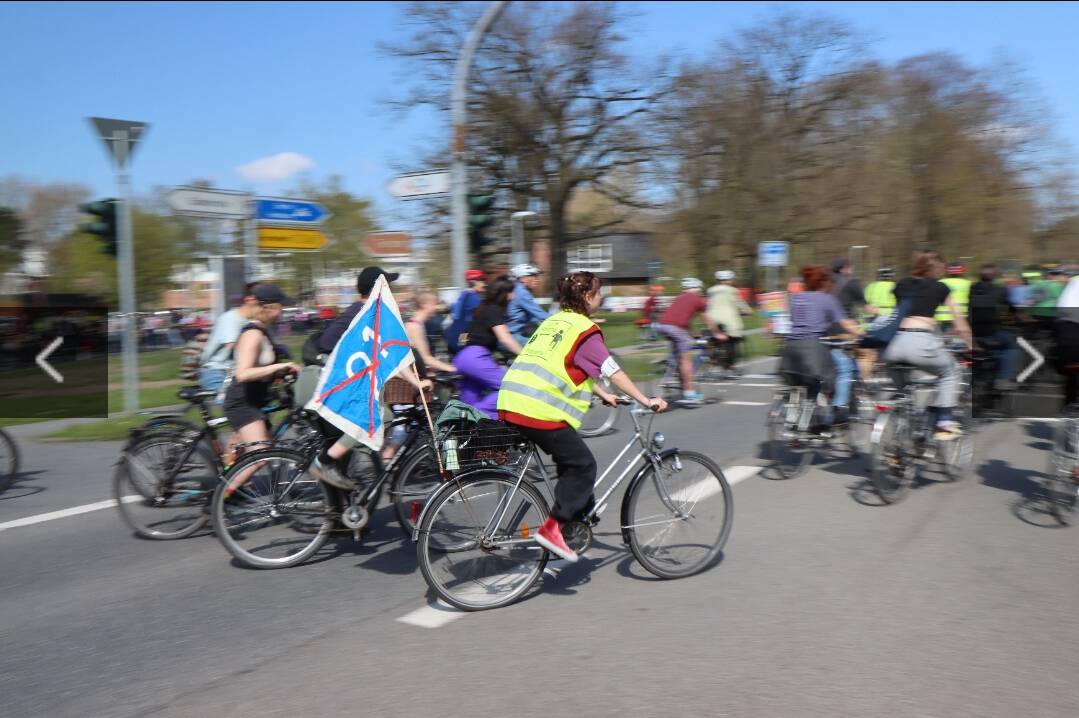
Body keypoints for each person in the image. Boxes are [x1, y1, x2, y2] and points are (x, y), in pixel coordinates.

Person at [497, 271, 668, 562]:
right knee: (583, 465)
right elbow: (612, 370)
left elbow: (565, 363)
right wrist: (646, 399)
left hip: (512, 400)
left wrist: (603, 394)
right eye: (599, 293)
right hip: (539, 409)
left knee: (570, 459)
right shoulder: (585, 330)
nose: (601, 297)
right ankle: (553, 528)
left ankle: (575, 519)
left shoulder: (553, 322)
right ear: (588, 297)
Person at [307, 267, 431, 491]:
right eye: (388, 286)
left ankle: (342, 506)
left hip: (335, 377)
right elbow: (391, 353)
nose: (391, 291)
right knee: (380, 417)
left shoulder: (363, 310)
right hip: (332, 380)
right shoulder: (369, 314)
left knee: (355, 438)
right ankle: (324, 461)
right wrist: (416, 382)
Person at [883, 250, 973, 440]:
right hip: (921, 342)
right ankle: (944, 422)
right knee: (951, 372)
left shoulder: (901, 284)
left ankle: (904, 425)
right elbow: (959, 322)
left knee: (904, 392)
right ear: (935, 268)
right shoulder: (939, 287)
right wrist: (970, 342)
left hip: (893, 346)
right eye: (941, 268)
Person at [221, 285, 302, 495]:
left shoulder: (263, 332)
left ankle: (233, 489)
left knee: (252, 451)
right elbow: (243, 373)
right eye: (281, 306)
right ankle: (220, 498)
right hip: (242, 402)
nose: (283, 311)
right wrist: (278, 367)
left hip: (255, 399)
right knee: (261, 455)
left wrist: (282, 371)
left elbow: (261, 367)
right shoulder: (253, 334)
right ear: (269, 307)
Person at [781, 266, 861, 427]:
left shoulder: (796, 298)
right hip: (812, 348)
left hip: (790, 348)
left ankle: (806, 417)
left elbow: (795, 321)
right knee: (843, 368)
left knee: (807, 381)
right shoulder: (826, 299)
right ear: (824, 283)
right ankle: (838, 409)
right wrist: (863, 335)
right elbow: (846, 323)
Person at [453, 276, 523, 419]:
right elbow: (505, 339)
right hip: (476, 357)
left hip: (463, 357)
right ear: (504, 294)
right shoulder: (494, 310)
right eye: (511, 292)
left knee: (469, 401)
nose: (513, 296)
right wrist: (525, 355)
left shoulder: (482, 308)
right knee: (509, 387)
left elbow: (465, 335)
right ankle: (476, 416)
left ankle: (464, 425)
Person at [655, 278, 726, 405]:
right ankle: (690, 394)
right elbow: (707, 319)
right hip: (676, 328)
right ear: (698, 289)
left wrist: (693, 334)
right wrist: (717, 333)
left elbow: (683, 320)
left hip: (662, 326)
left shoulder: (679, 298)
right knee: (686, 360)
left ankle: (667, 379)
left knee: (677, 353)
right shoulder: (696, 298)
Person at [199, 283, 261, 395]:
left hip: (235, 373)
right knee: (231, 403)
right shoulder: (230, 318)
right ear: (249, 299)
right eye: (263, 301)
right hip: (217, 371)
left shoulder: (250, 322)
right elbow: (234, 347)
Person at [968, 263, 1019, 390]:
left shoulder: (971, 288)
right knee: (1011, 345)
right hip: (991, 332)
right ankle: (1002, 379)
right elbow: (1011, 308)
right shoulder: (1001, 290)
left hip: (972, 332)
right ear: (994, 276)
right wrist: (1017, 317)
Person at [706, 270, 752, 376]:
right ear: (729, 280)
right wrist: (747, 311)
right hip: (728, 320)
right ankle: (730, 365)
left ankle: (714, 358)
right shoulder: (732, 290)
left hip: (712, 319)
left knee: (715, 338)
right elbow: (740, 303)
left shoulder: (711, 291)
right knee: (733, 340)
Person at [406, 291, 457, 376]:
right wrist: (454, 369)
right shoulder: (414, 326)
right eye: (434, 304)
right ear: (424, 305)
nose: (436, 307)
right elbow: (427, 359)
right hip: (412, 378)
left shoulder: (417, 324)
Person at [507, 263, 552, 345]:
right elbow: (541, 315)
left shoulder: (518, 290)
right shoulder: (521, 293)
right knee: (544, 345)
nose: (537, 280)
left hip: (516, 334)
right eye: (533, 276)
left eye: (537, 276)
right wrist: (561, 321)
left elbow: (533, 318)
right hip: (511, 336)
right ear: (522, 278)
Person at [446, 269, 487, 355]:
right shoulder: (474, 298)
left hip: (453, 335)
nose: (484, 284)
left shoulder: (463, 295)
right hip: (463, 336)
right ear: (473, 282)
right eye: (482, 281)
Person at [1056, 270, 1079, 408]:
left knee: (1071, 369)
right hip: (1071, 327)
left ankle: (1069, 404)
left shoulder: (1073, 282)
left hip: (1066, 327)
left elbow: (1062, 308)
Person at [934, 262, 972, 333]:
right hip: (960, 320)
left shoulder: (939, 283)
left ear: (947, 272)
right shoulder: (968, 284)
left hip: (941, 319)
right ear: (962, 272)